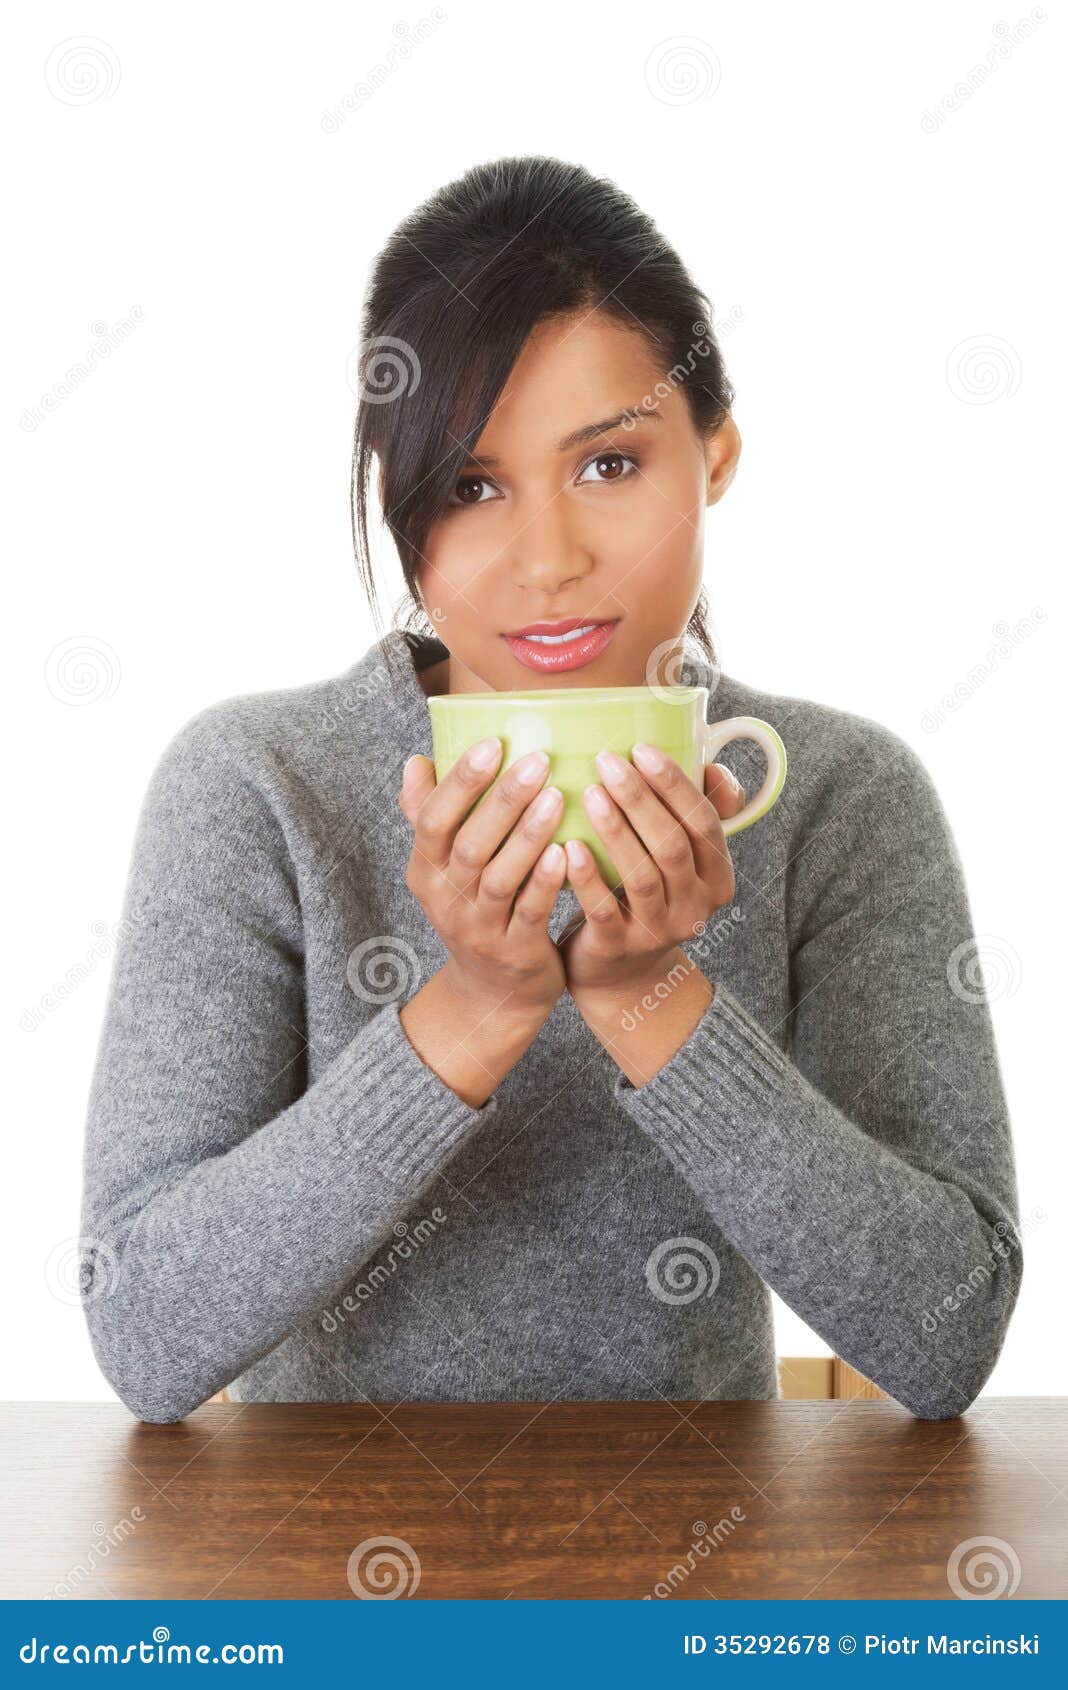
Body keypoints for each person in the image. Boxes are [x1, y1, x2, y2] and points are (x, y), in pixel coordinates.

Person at [79, 156, 1021, 1423]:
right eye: (472, 488)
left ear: (717, 453)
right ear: (401, 509)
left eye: (610, 465)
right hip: (321, 1590)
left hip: (698, 1587)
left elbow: (946, 1333)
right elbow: (144, 1332)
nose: (549, 562)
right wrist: (469, 1013)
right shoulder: (258, 787)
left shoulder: (838, 799)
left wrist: (655, 1002)